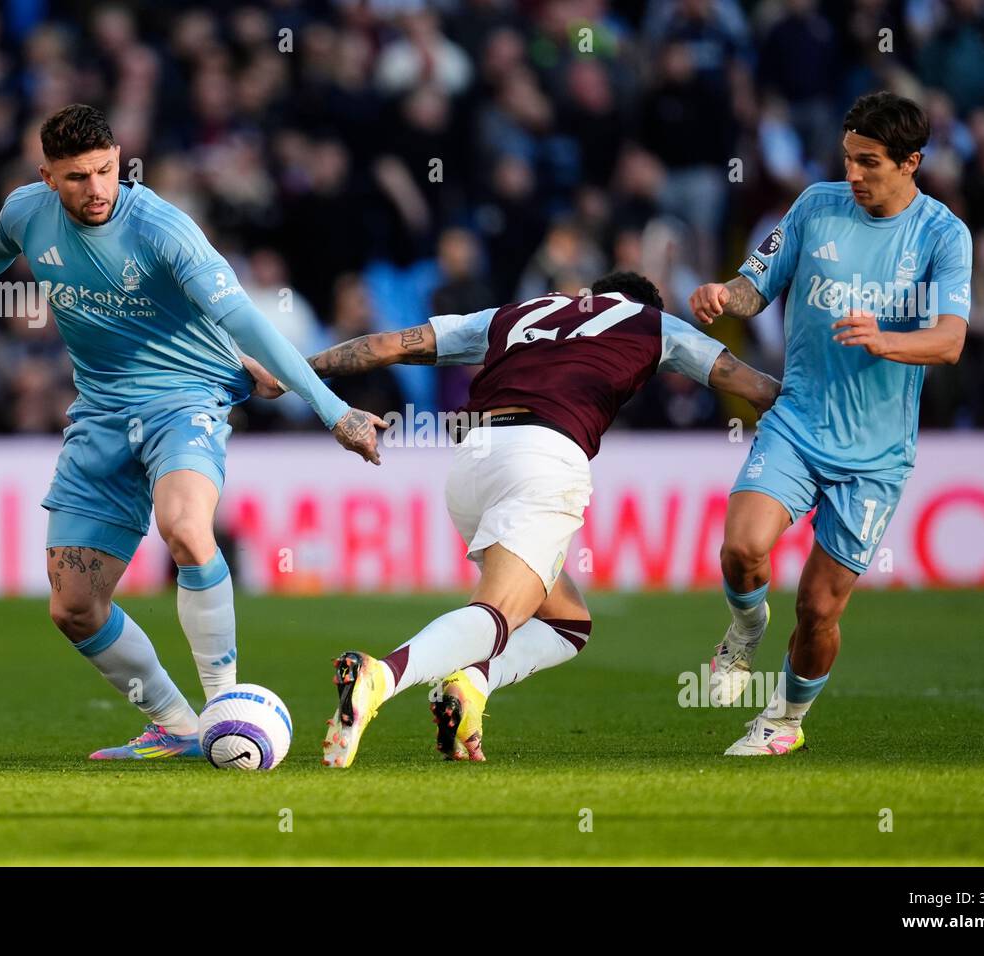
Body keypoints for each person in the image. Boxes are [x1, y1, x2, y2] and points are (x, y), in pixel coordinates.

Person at [0, 104, 382, 759]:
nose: (95, 190)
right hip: (99, 415)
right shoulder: (25, 211)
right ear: (46, 176)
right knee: (74, 607)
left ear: (119, 159)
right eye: (76, 178)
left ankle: (224, 708)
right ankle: (179, 727)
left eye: (105, 171)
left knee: (185, 527)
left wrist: (333, 411)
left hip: (186, 402)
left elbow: (252, 326)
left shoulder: (161, 229)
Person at [253, 270, 780, 766]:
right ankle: (380, 676)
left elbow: (387, 345)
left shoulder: (516, 313)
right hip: (544, 457)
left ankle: (472, 685)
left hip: (471, 462)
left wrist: (295, 373)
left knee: (567, 624)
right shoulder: (654, 324)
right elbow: (755, 386)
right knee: (498, 613)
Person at [688, 91, 971, 756]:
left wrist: (886, 340)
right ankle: (742, 632)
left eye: (869, 163)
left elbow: (952, 340)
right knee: (742, 547)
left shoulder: (941, 234)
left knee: (819, 608)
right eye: (847, 158)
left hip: (876, 454)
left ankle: (784, 721)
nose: (853, 174)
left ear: (911, 163)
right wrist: (725, 295)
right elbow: (757, 285)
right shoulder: (816, 206)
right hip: (797, 421)